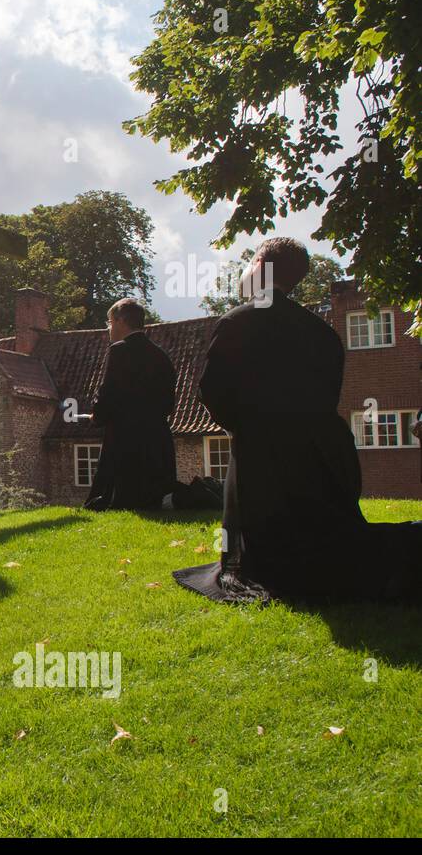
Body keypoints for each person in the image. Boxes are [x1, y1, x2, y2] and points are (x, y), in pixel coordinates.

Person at [174, 237, 422, 602]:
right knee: (329, 539)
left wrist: (243, 428)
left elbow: (213, 392)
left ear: (259, 266)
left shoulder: (237, 322)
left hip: (265, 459)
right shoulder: (324, 333)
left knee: (271, 557)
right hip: (325, 454)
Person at [82, 298, 178, 511]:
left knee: (118, 498)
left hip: (126, 440)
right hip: (157, 439)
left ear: (120, 320)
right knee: (151, 497)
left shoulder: (120, 351)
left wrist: (97, 416)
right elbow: (169, 403)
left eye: (109, 322)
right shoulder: (161, 356)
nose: (108, 328)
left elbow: (109, 392)